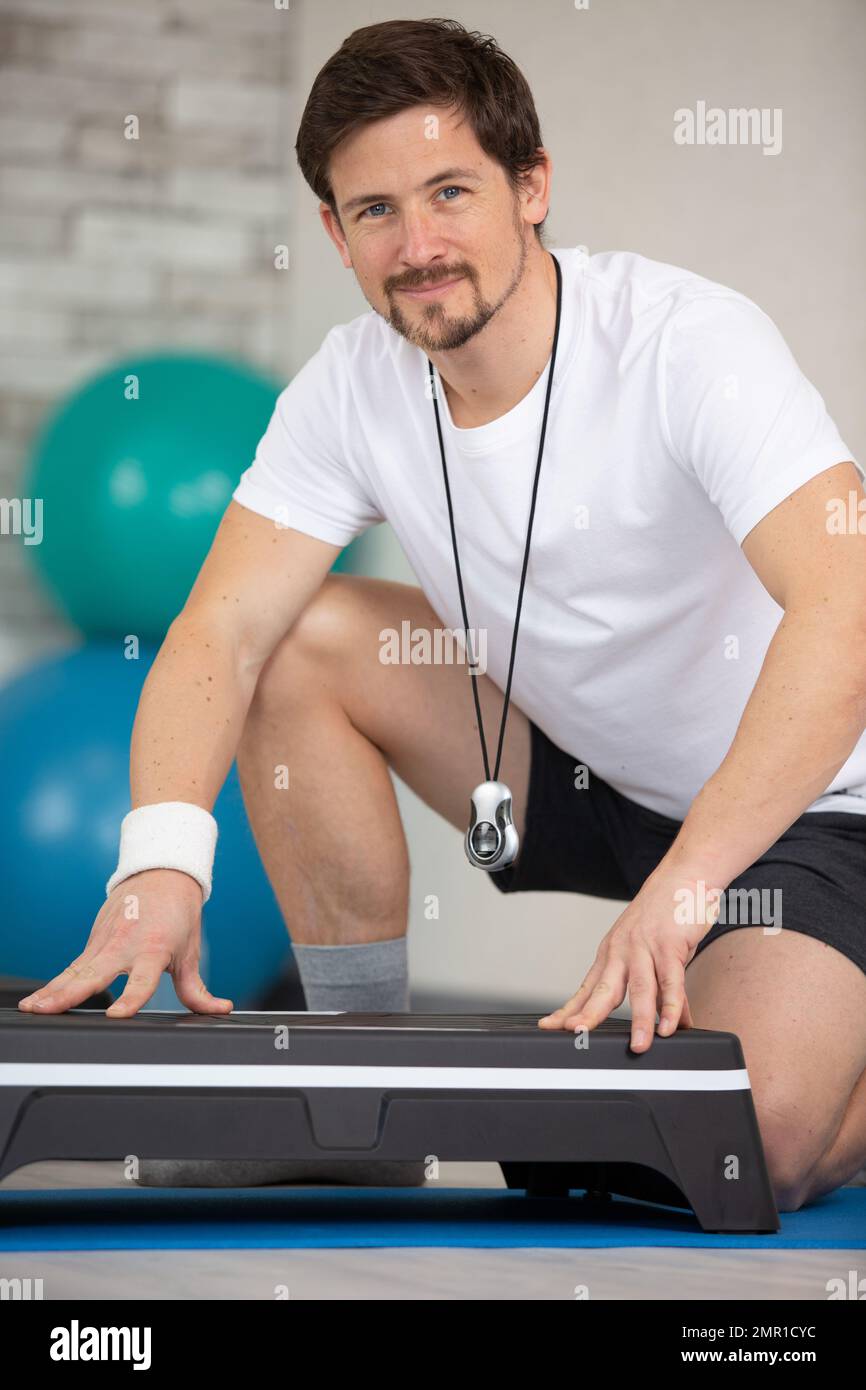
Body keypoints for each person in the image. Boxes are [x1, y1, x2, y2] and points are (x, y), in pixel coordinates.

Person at [18, 19, 866, 1210]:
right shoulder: (351, 384)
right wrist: (161, 864)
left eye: (449, 193)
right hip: (582, 769)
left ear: (531, 187)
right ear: (333, 233)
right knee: (299, 639)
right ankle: (346, 1096)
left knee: (731, 1143)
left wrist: (686, 889)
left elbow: (845, 608)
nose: (417, 247)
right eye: (373, 213)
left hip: (805, 803)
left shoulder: (688, 345)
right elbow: (220, 632)